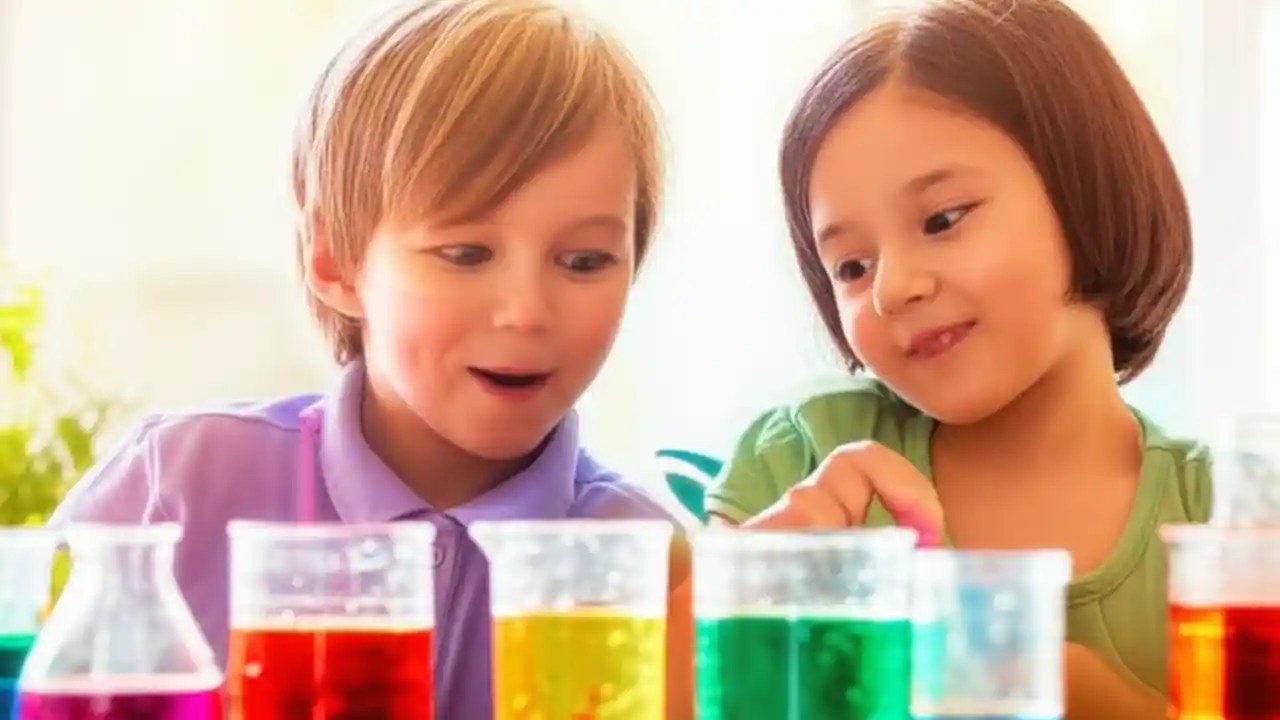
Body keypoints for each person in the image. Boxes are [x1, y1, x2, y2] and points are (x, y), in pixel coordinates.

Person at [49, 1, 692, 717]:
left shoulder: (646, 562)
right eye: (466, 253)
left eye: (583, 260)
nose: (527, 311)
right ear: (335, 262)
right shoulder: (178, 487)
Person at [706, 1, 1206, 717]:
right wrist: (747, 588)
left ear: (1084, 187)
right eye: (850, 266)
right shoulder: (803, 464)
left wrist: (1065, 683)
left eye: (943, 219)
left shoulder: (1233, 524)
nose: (892, 288)